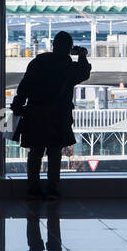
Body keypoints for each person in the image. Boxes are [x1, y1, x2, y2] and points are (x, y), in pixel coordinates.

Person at [11, 30, 91, 199]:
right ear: (69, 48)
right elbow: (83, 73)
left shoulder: (38, 62)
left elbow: (25, 87)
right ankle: (52, 190)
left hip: (36, 113)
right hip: (59, 115)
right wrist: (82, 55)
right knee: (55, 153)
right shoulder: (68, 66)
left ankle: (33, 189)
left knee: (35, 152)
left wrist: (18, 104)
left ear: (54, 45)